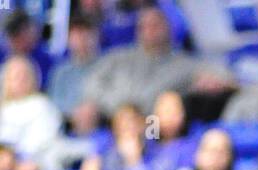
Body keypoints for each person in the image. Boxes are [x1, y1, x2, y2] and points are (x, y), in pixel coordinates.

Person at [82, 3, 233, 121]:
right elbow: (92, 85)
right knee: (87, 114)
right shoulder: (118, 58)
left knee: (155, 130)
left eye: (156, 25)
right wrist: (117, 107)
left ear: (169, 28)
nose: (151, 31)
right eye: (145, 26)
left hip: (154, 122)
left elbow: (223, 77)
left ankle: (155, 156)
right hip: (114, 118)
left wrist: (213, 83)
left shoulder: (183, 63)